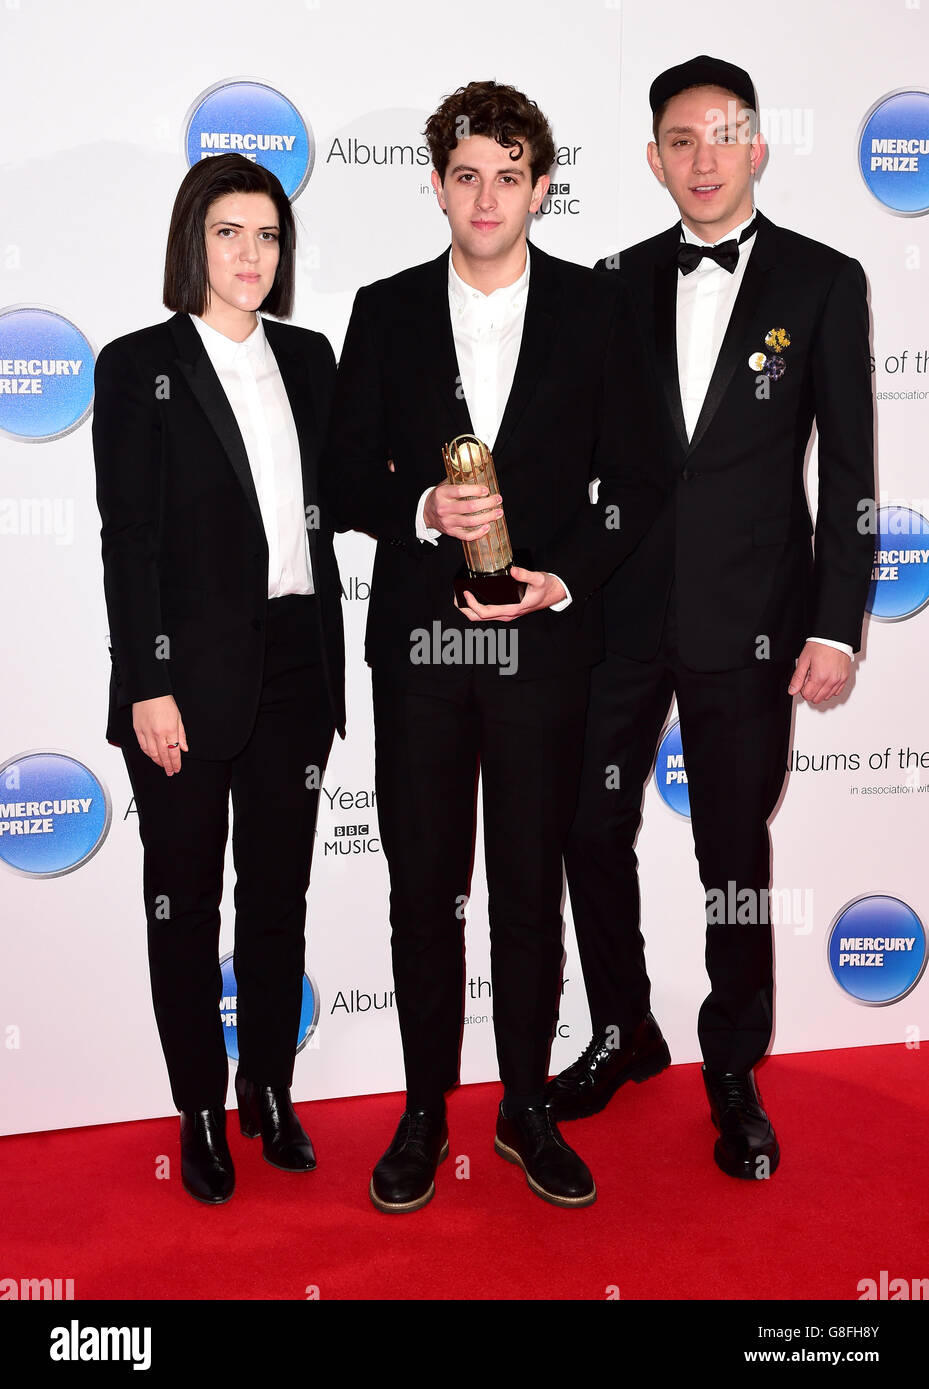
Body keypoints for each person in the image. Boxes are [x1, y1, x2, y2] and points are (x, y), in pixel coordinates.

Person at [323, 79, 664, 1211]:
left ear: (540, 188)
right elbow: (342, 478)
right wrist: (420, 506)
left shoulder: (598, 309)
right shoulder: (383, 308)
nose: (484, 195)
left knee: (525, 887)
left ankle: (522, 1107)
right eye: (464, 174)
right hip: (419, 649)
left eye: (507, 175)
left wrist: (563, 578)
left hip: (541, 651)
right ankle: (425, 1111)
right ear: (434, 184)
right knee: (423, 889)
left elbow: (642, 475)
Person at [546, 56, 875, 1179]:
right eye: (677, 141)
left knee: (730, 849)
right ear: (650, 158)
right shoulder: (603, 283)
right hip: (614, 622)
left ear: (755, 145)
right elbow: (576, 459)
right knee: (586, 829)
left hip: (751, 626)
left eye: (719, 136)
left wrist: (835, 624)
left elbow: (849, 474)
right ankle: (619, 1026)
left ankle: (730, 1065)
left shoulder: (822, 281)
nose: (700, 159)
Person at [92, 152, 345, 1204]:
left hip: (294, 662)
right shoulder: (137, 362)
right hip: (183, 683)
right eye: (229, 233)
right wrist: (147, 682)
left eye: (268, 235)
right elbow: (129, 538)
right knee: (183, 902)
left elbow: (354, 489)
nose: (251, 254)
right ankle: (199, 1106)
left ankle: (268, 1092)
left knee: (278, 894)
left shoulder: (311, 355)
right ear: (191, 242)